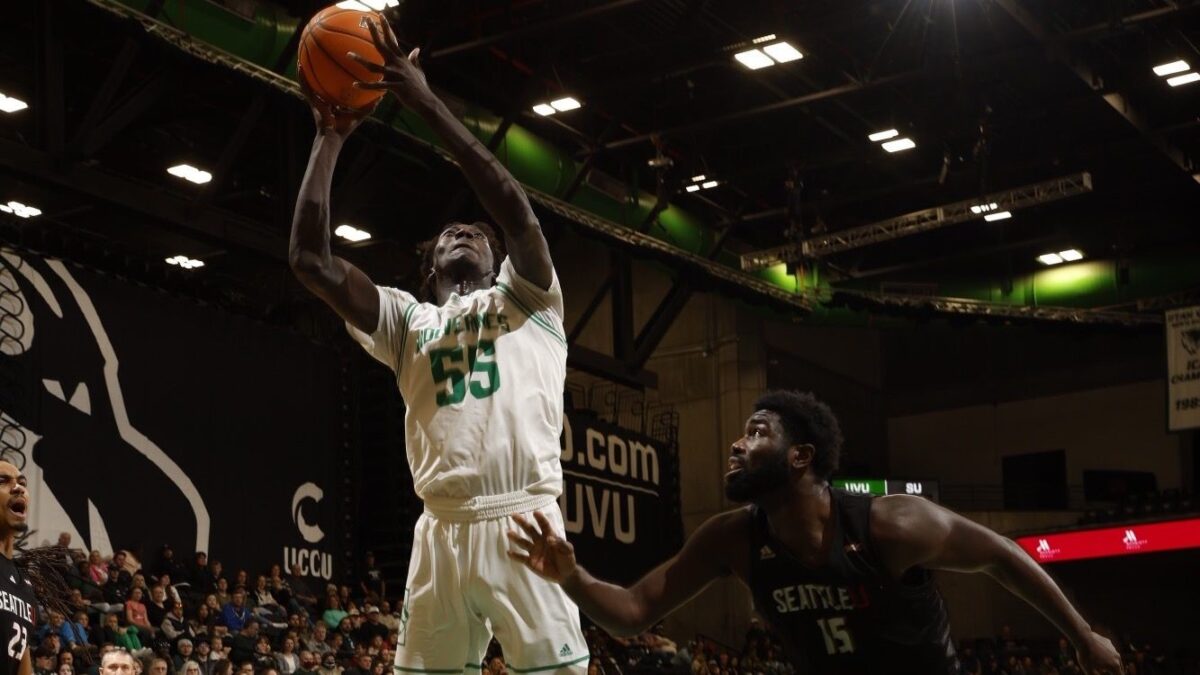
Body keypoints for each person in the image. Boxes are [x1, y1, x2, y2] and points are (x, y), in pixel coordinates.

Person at [288, 14, 584, 675]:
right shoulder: (405, 322)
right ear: (428, 267)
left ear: (497, 257)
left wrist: (423, 102)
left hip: (523, 517)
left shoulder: (530, 301)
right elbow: (310, 259)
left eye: (477, 232)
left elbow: (512, 204)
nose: (464, 232)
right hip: (440, 529)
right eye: (451, 232)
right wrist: (330, 136)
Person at [508, 391, 1126, 675]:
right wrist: (572, 576)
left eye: (756, 432)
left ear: (801, 457)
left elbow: (1002, 555)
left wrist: (1081, 634)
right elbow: (634, 612)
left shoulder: (890, 523)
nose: (736, 442)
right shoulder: (732, 538)